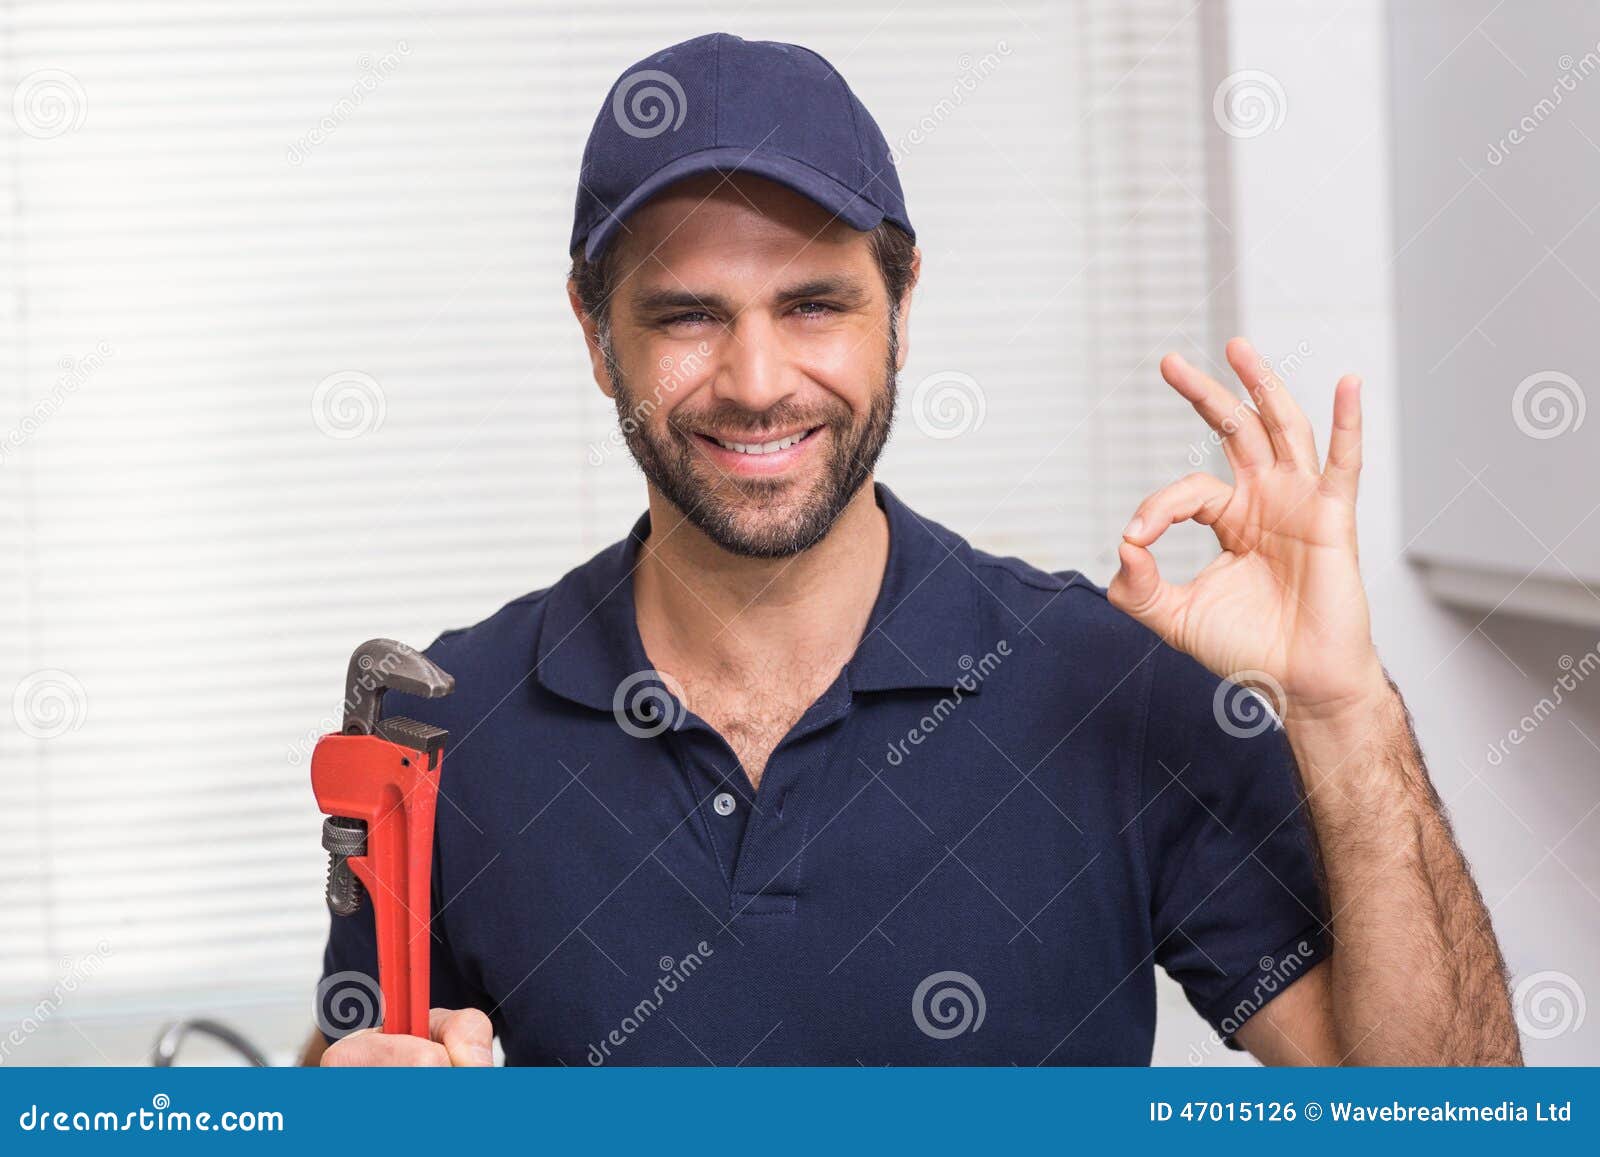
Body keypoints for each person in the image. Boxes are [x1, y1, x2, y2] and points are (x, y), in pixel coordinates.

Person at [306, 33, 1519, 1067]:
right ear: (593, 330)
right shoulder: (451, 728)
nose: (757, 381)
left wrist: (1343, 709)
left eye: (814, 304)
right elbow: (366, 1060)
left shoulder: (1106, 684)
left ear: (901, 302)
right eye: (686, 315)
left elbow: (1441, 1118)